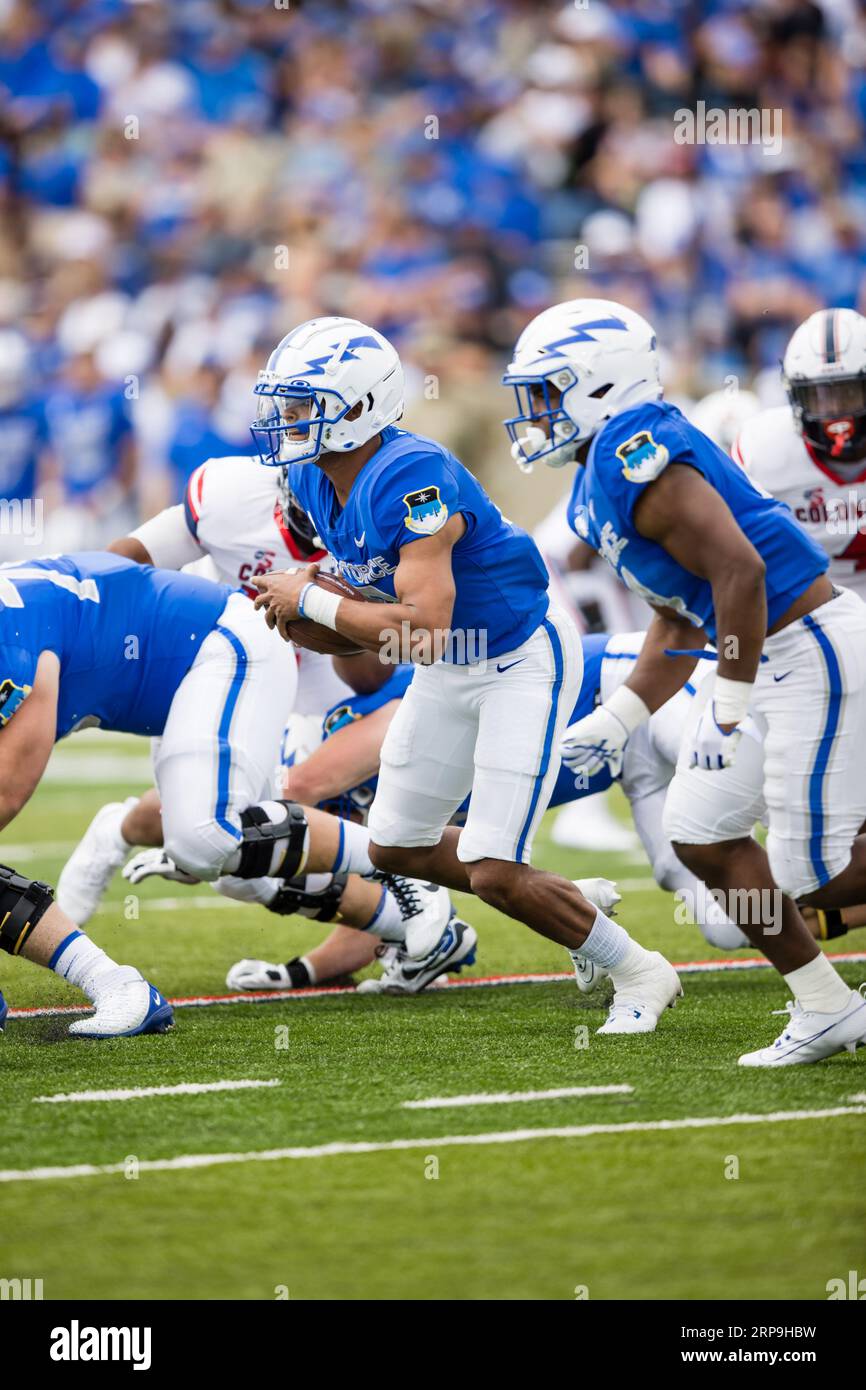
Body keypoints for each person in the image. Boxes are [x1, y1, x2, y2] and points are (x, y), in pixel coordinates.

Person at [250, 315, 682, 1036]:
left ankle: (641, 970)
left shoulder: (411, 475)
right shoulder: (314, 477)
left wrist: (314, 596)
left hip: (517, 661)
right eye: (286, 406)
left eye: (304, 406)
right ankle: (572, 900)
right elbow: (382, 632)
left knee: (491, 865)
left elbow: (421, 629)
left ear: (359, 407)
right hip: (448, 666)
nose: (289, 422)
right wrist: (310, 621)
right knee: (394, 844)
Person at [502, 296, 866, 1066]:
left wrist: (728, 704)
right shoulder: (595, 478)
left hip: (809, 648)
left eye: (546, 391)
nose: (533, 413)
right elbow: (680, 615)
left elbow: (742, 570)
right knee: (701, 835)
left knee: (815, 870)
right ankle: (826, 1005)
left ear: (598, 383)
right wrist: (624, 715)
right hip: (762, 655)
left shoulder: (637, 446)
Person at [4, 553, 459, 1034]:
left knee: (203, 838)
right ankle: (418, 930)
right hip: (177, 671)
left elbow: (10, 790)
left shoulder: (11, 638)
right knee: (239, 873)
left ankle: (397, 866)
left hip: (219, 647)